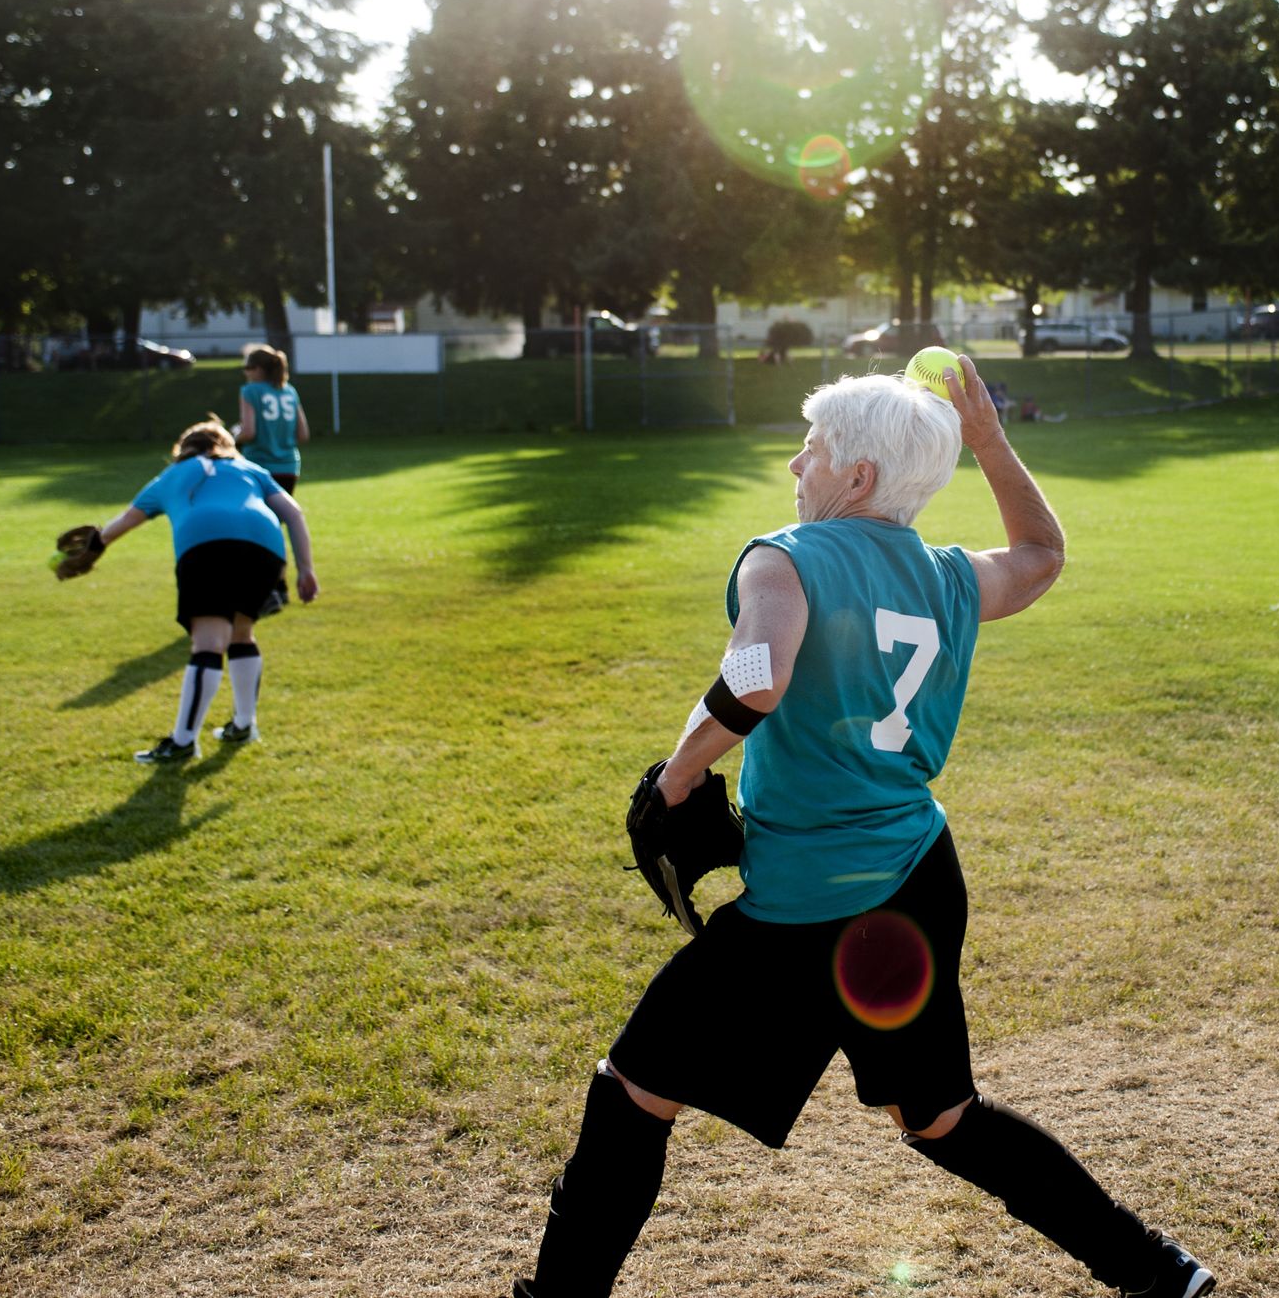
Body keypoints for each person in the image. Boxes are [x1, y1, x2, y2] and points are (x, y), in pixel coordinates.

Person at [514, 356, 1213, 1298]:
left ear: (860, 476)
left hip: (806, 903)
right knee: (942, 1118)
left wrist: (677, 779)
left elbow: (755, 674)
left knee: (634, 1089)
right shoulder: (948, 576)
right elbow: (1042, 556)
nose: (795, 466)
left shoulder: (788, 552)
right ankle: (1156, 1268)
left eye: (812, 450)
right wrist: (992, 439)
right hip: (918, 879)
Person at [87, 416, 319, 763]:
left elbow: (123, 522)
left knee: (208, 643)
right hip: (265, 547)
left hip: (207, 544)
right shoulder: (248, 468)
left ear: (183, 450)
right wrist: (306, 569)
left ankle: (183, 742)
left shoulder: (174, 474)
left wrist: (92, 550)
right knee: (242, 633)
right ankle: (244, 724)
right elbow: (294, 513)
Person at [236, 343, 310, 494]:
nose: (245, 373)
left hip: (258, 464)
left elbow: (249, 432)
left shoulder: (250, 390)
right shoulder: (289, 391)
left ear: (258, 369)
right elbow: (303, 435)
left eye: (247, 368)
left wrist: (233, 438)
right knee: (278, 517)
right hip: (289, 466)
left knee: (256, 516)